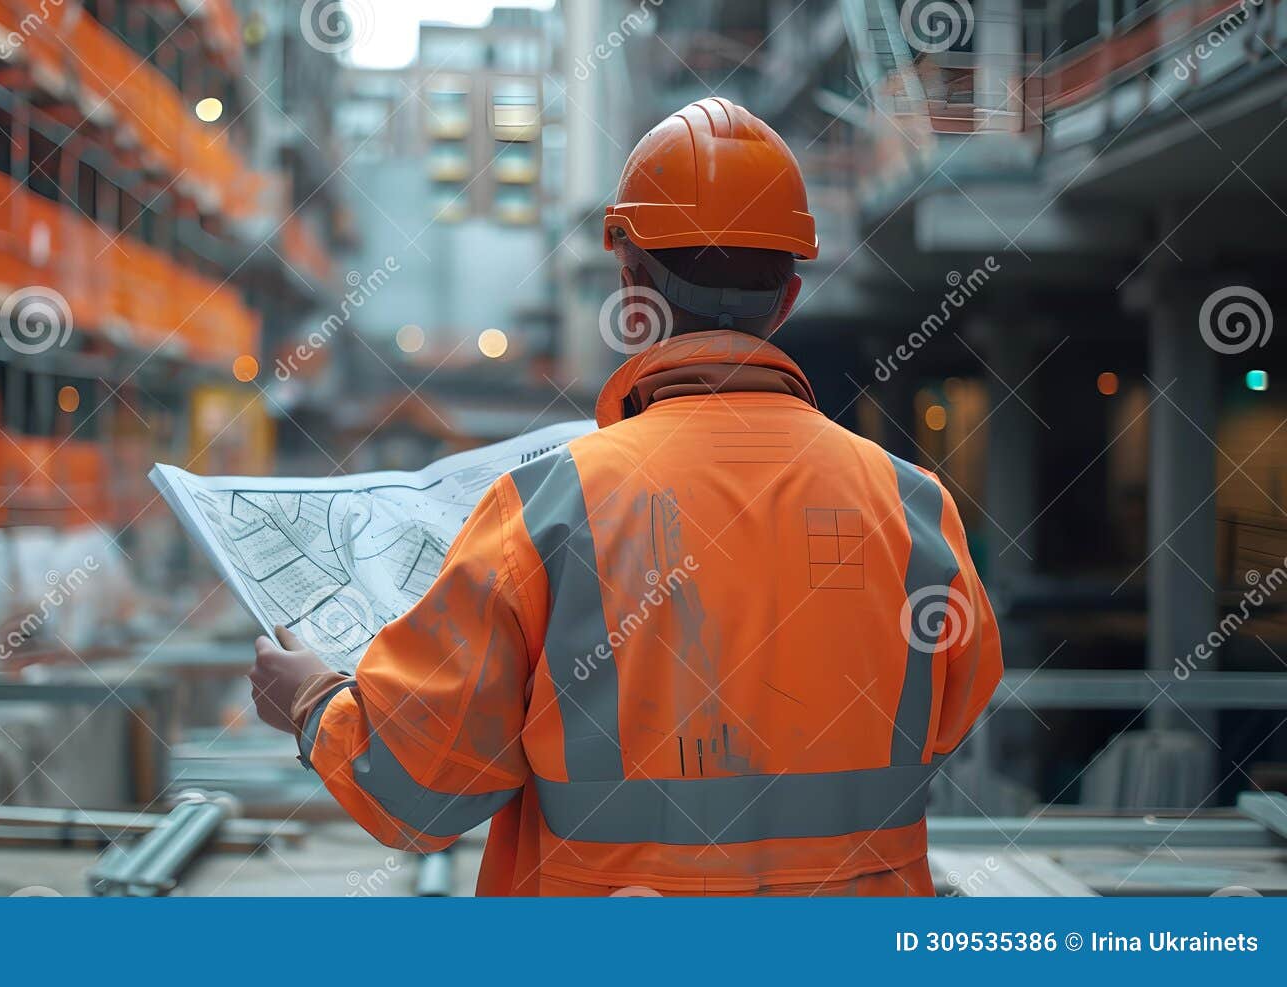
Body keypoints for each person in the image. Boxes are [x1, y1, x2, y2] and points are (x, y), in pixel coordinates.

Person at [250, 97, 1003, 896]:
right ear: (787, 297)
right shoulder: (915, 505)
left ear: (632, 281)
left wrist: (311, 701)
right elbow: (950, 715)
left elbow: (416, 792)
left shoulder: (549, 508)